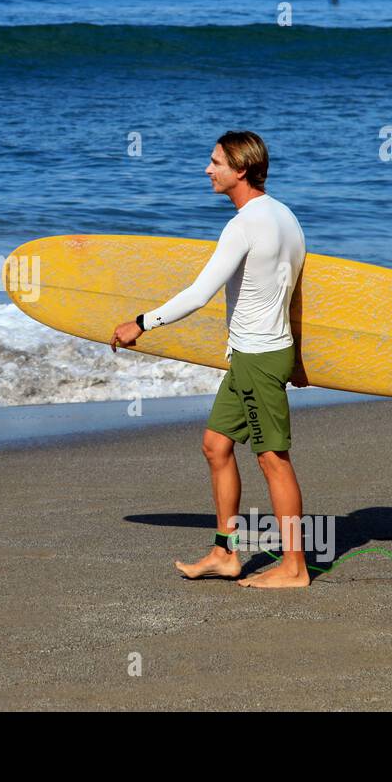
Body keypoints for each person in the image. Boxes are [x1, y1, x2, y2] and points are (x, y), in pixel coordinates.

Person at [111, 131, 310, 589]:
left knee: (273, 460)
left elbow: (200, 294)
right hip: (258, 355)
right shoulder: (287, 217)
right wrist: (295, 356)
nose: (208, 169)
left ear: (240, 169)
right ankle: (225, 552)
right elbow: (292, 296)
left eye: (216, 161)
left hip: (259, 359)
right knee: (216, 446)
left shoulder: (243, 224)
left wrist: (142, 321)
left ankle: (295, 567)